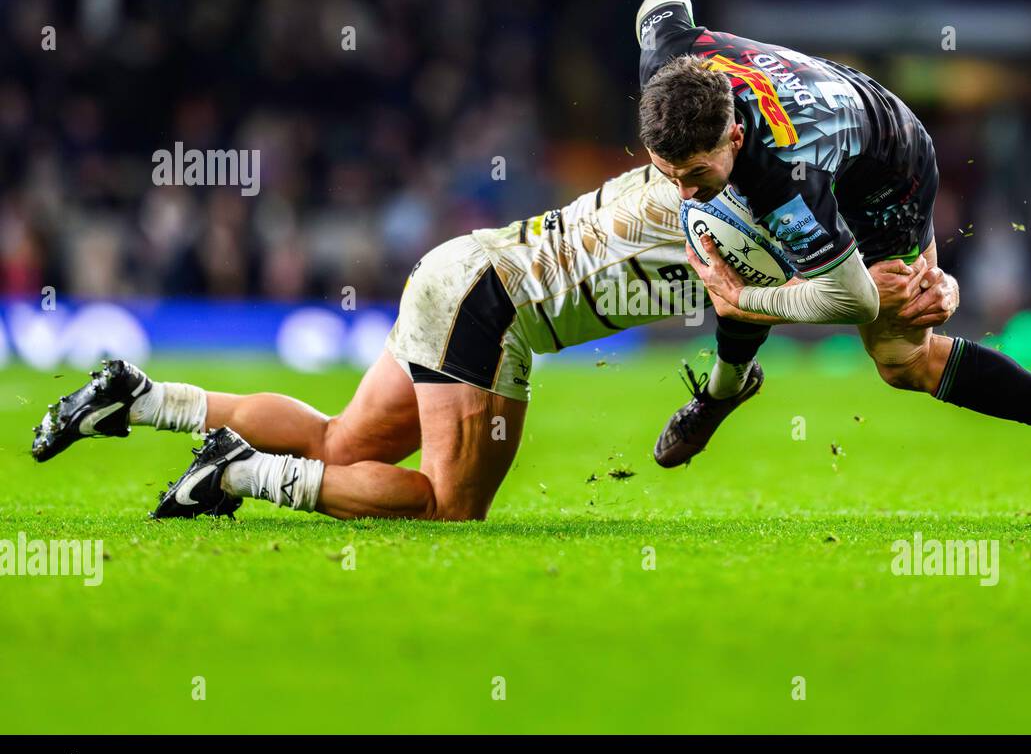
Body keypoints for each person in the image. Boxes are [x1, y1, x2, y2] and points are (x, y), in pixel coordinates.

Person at [635, 0, 1031, 525]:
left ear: (735, 137)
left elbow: (854, 298)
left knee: (901, 360)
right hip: (834, 115)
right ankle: (723, 392)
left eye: (695, 174)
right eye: (671, 173)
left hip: (887, 167)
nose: (684, 191)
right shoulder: (668, 60)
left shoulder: (787, 175)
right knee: (734, 243)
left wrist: (748, 301)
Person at [30, 165, 739, 521]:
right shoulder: (749, 222)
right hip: (494, 311)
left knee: (339, 446)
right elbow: (824, 293)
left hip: (457, 268)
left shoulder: (684, 162)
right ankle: (235, 475)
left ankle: (145, 400)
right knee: (446, 506)